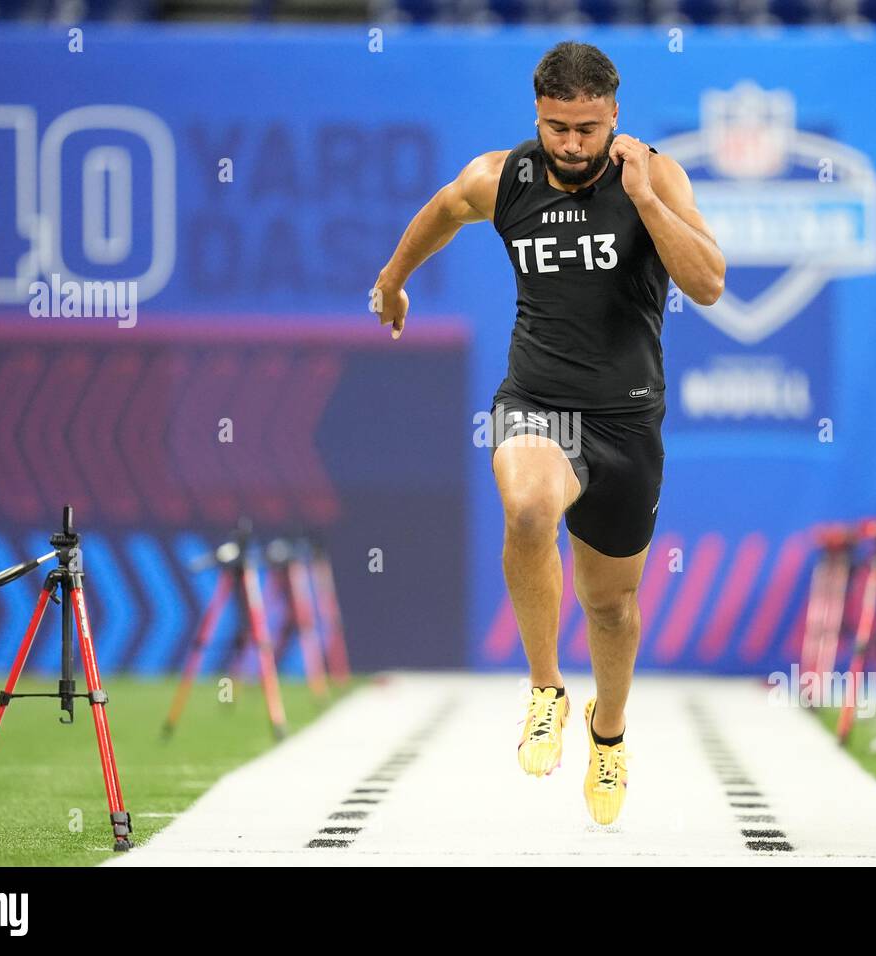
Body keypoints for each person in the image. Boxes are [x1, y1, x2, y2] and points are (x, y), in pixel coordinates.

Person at [370, 42, 725, 824]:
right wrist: (394, 280)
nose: (571, 144)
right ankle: (544, 689)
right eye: (557, 127)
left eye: (587, 129)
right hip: (538, 399)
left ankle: (608, 733)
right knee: (529, 508)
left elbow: (707, 282)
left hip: (627, 417)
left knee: (612, 608)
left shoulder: (654, 175)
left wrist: (648, 202)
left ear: (614, 117)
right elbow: (442, 212)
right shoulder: (503, 177)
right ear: (538, 116)